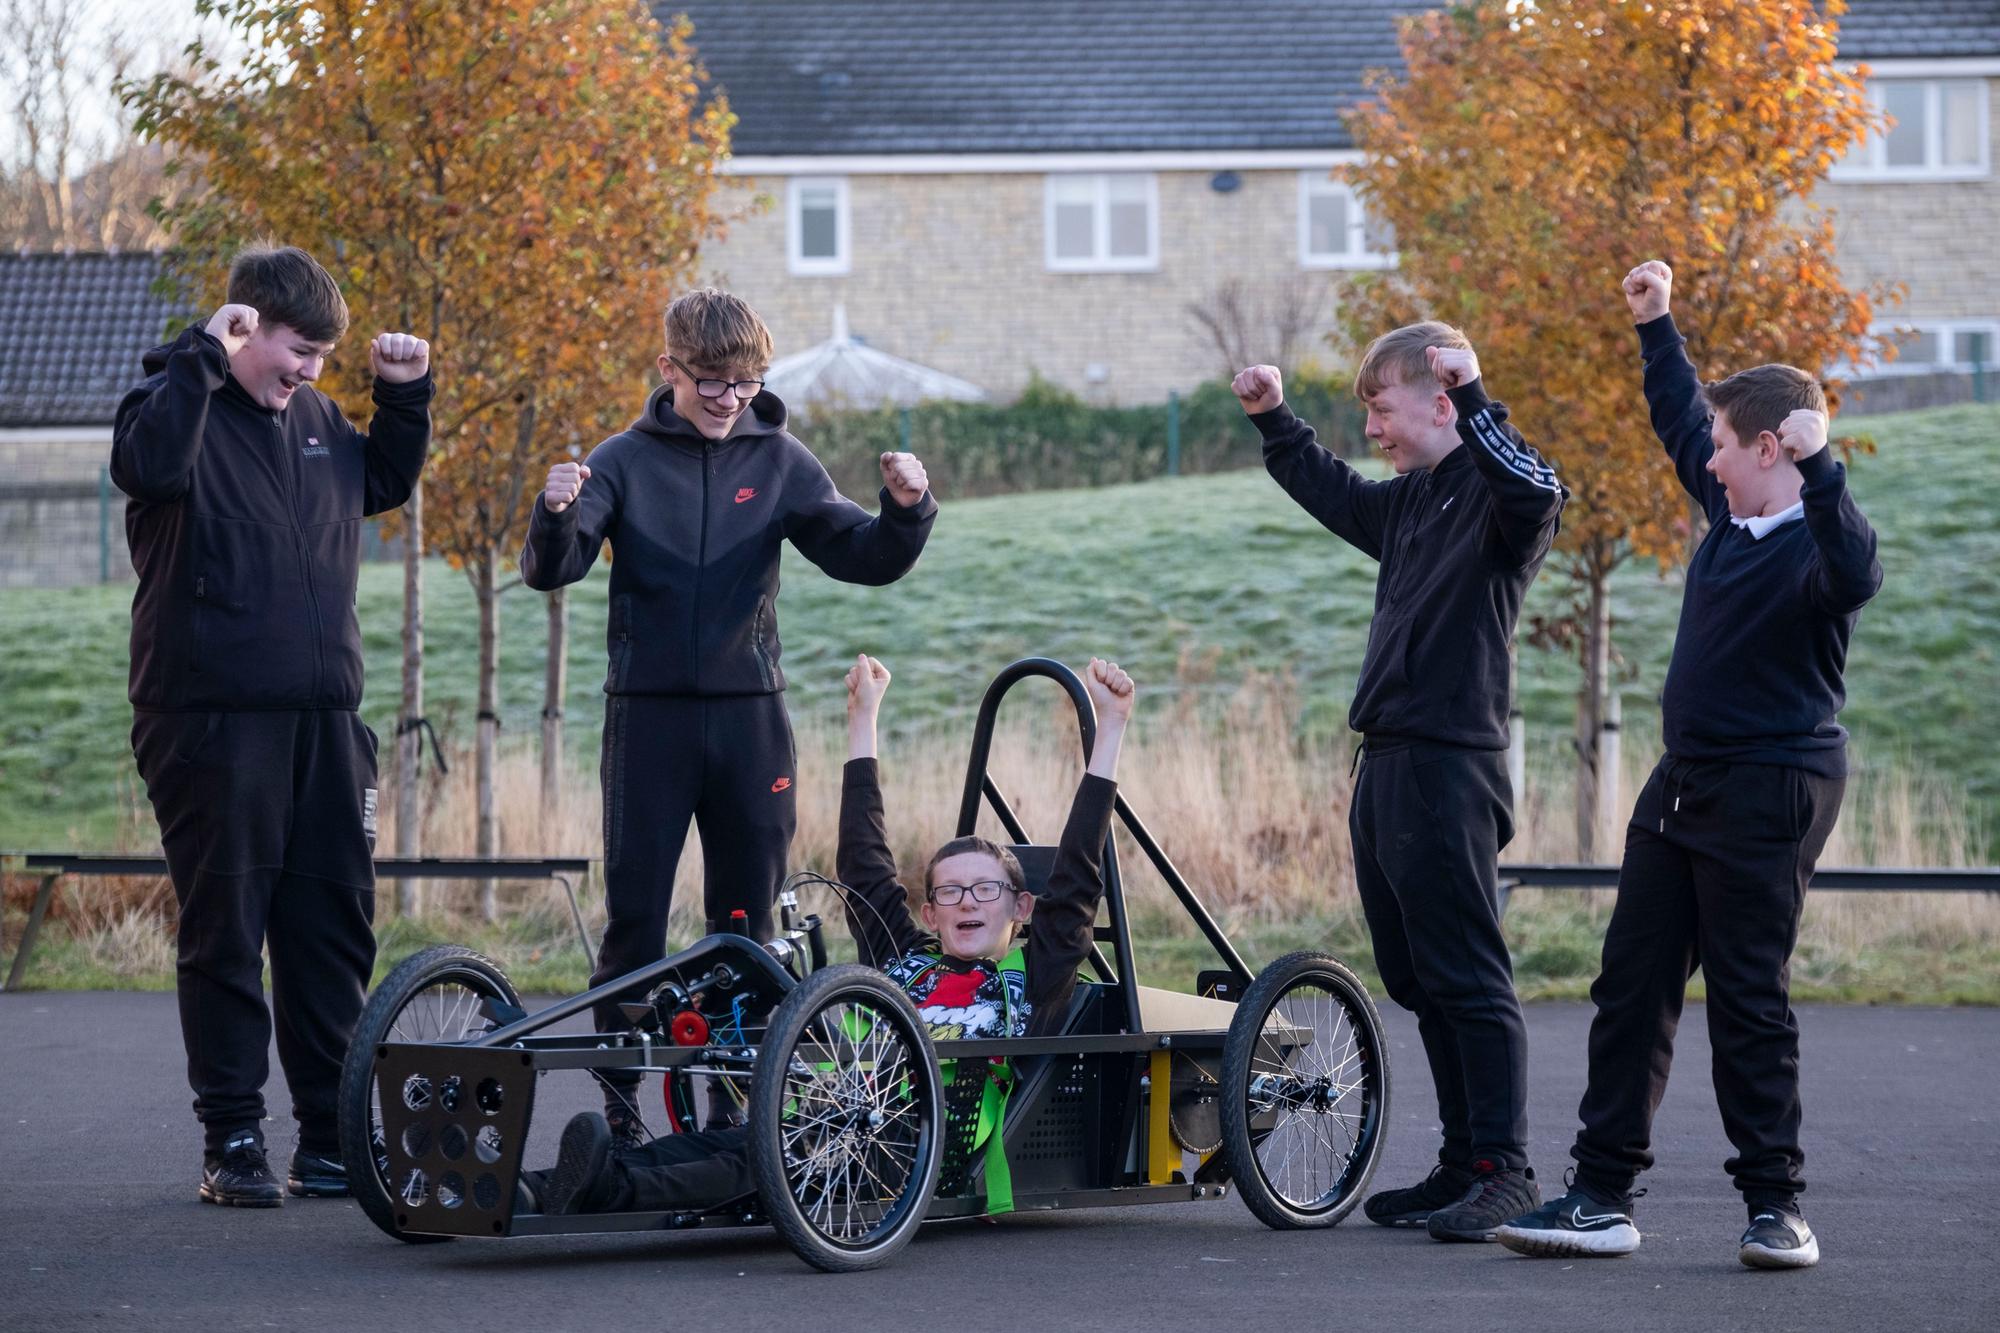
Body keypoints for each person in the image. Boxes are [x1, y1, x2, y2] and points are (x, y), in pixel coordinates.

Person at [1498, 261, 1882, 1270]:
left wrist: (1825, 466)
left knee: (1747, 995)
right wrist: (1652, 324)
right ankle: (1598, 1195)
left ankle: (1775, 1208)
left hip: (1773, 783)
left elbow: (1856, 570)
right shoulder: (1726, 520)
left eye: (1724, 447)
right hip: (1682, 782)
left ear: (1770, 448)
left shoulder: (1812, 543)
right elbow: (1679, 415)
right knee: (1630, 985)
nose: (1705, 461)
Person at [520, 289, 937, 1145]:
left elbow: (861, 556)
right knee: (635, 916)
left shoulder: (780, 459)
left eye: (747, 383)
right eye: (712, 381)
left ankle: (736, 1110)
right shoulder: (624, 460)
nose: (729, 399)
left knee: (746, 922)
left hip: (751, 722)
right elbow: (551, 570)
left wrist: (906, 509)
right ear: (670, 368)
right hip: (651, 723)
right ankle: (621, 1112)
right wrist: (556, 511)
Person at [529, 655, 1136, 1217]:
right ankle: (533, 1188)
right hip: (838, 1121)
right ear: (931, 914)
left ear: (1022, 907)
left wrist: (1109, 730)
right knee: (734, 1141)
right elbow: (865, 869)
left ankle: (612, 1188)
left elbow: (1078, 877)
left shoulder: (1035, 979)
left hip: (917, 1151)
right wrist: (862, 719)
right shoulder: (909, 964)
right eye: (950, 892)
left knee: (758, 1162)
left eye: (986, 890)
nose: (968, 902)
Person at [112, 242, 433, 1207]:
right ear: (244, 325)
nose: (307, 371)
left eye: (323, 357)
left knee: (329, 927)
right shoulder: (178, 410)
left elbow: (376, 484)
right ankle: (234, 1139)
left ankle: (329, 1138)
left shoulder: (321, 421)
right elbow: (145, 465)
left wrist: (404, 396)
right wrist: (200, 358)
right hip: (210, 719)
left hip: (325, 720)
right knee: (227, 927)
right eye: (297, 350)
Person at [1234, 328, 1567, 1242]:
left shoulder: (1501, 500)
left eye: (1380, 407)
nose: (1371, 425)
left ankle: (1508, 1170)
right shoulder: (1415, 500)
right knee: (1418, 976)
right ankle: (1465, 1163)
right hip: (1385, 762)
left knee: (1468, 972)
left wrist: (1482, 388)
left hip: (1447, 763)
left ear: (1439, 401)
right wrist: (1275, 421)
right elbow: (1336, 495)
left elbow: (1538, 493)